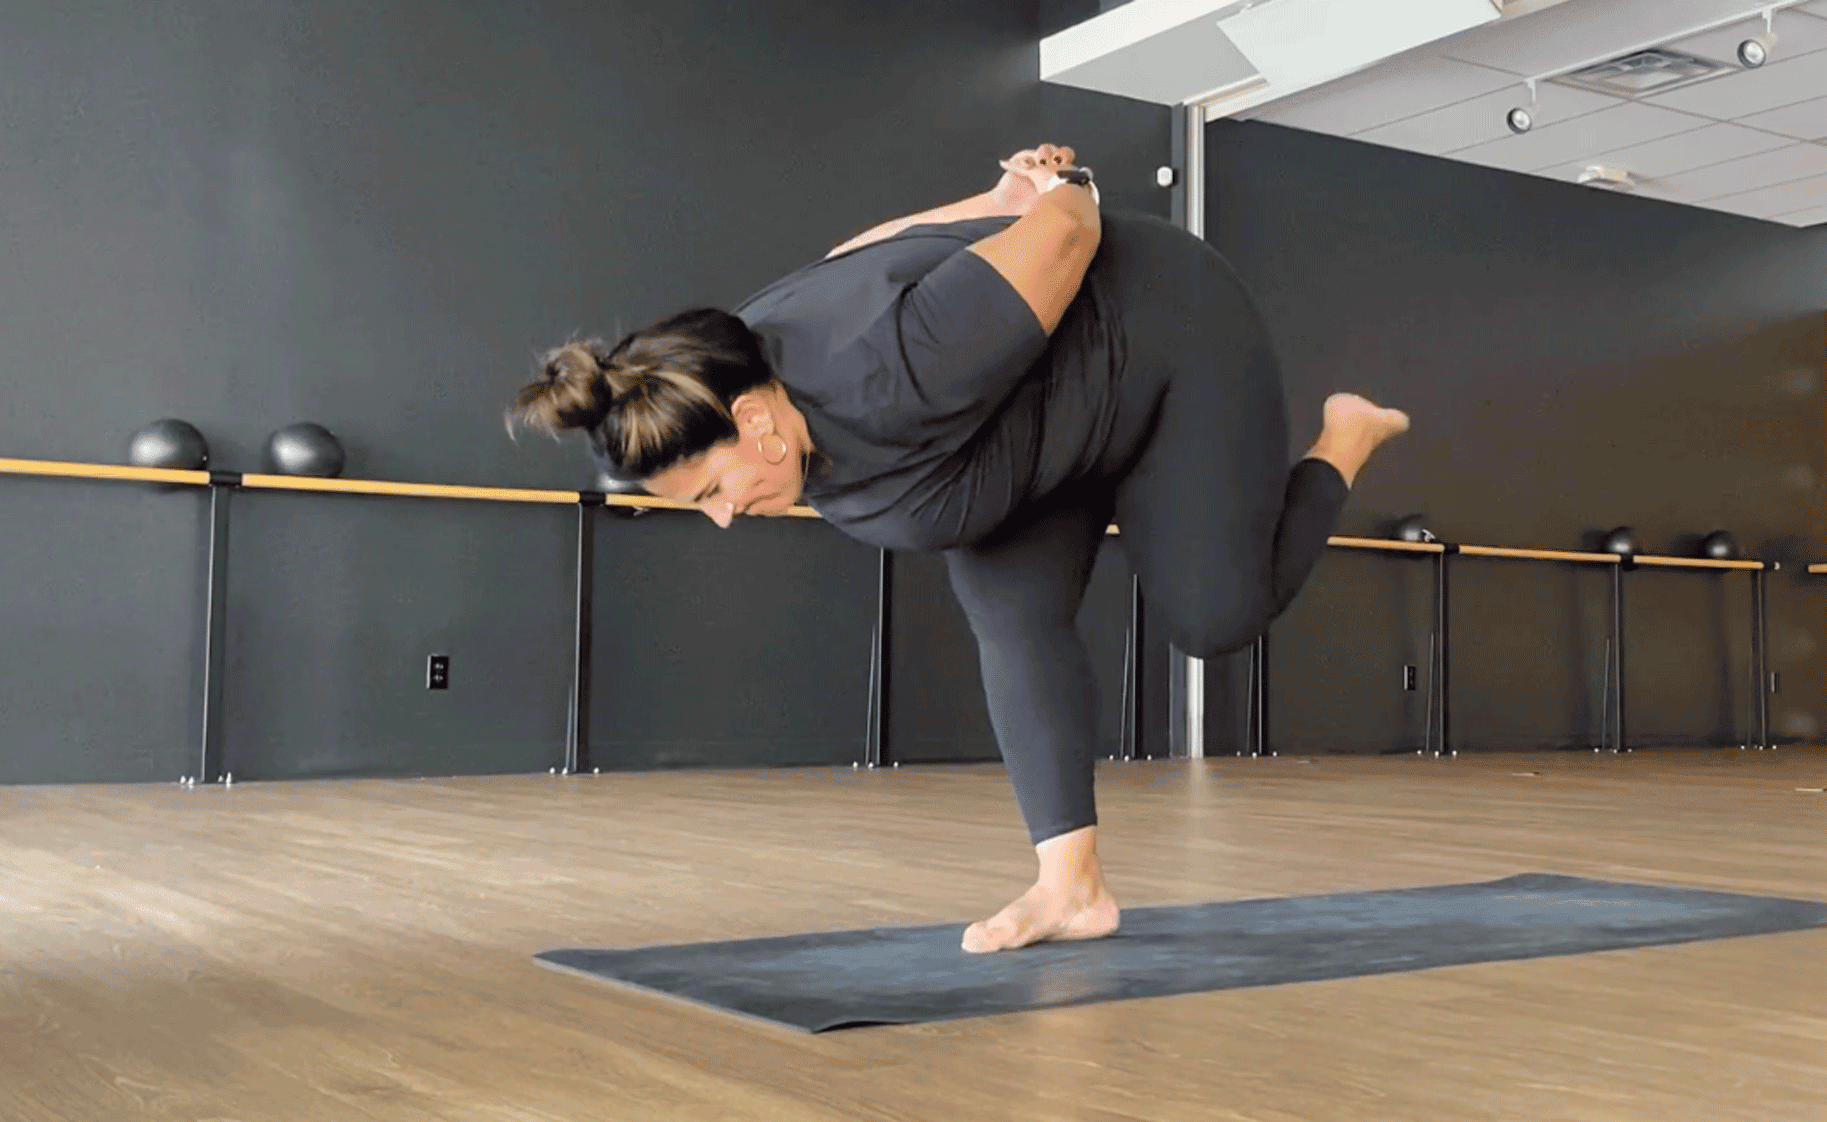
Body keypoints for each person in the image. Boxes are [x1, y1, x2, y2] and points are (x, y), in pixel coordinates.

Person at [508, 144, 1407, 953]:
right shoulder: (731, 366)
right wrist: (987, 198)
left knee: (1216, 618)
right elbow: (873, 250)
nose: (723, 518)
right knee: (1014, 620)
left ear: (754, 423)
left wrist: (1061, 184)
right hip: (1031, 432)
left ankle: (1346, 440)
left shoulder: (894, 369)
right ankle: (1072, 889)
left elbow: (1063, 234)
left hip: (1168, 341)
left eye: (710, 492)